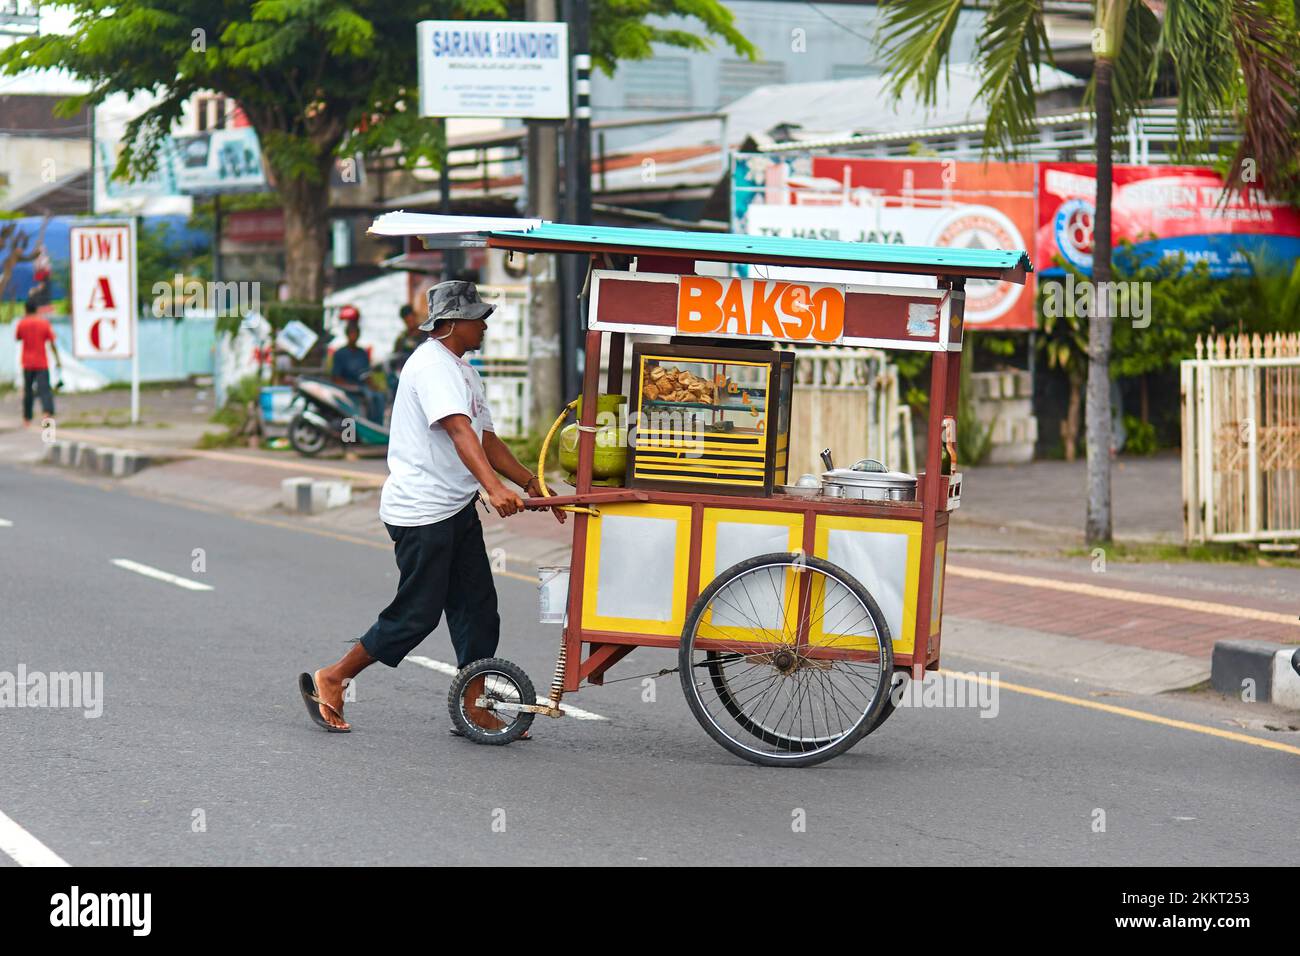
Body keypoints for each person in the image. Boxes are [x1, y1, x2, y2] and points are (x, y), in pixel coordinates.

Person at [298, 280, 564, 734]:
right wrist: (494, 489)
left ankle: (472, 702)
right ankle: (335, 676)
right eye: (478, 317)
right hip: (421, 512)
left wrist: (529, 482)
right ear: (453, 322)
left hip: (454, 507)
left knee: (478, 609)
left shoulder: (463, 370)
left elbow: (485, 438)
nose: (485, 325)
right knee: (417, 614)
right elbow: (459, 431)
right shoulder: (431, 366)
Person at [328, 316, 385, 424]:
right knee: (369, 397)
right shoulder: (340, 353)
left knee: (379, 397)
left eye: (355, 334)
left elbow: (367, 374)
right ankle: (368, 424)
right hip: (348, 387)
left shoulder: (362, 353)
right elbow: (336, 377)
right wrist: (350, 386)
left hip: (361, 386)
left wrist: (374, 386)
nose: (353, 336)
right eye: (351, 333)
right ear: (347, 335)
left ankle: (376, 426)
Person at [14, 298, 61, 426]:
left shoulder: (21, 324)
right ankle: (47, 412)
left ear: (25, 309)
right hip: (41, 362)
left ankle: (27, 418)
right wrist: (57, 360)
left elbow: (18, 338)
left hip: (27, 362)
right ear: (37, 309)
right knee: (44, 389)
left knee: (28, 391)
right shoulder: (44, 323)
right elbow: (52, 342)